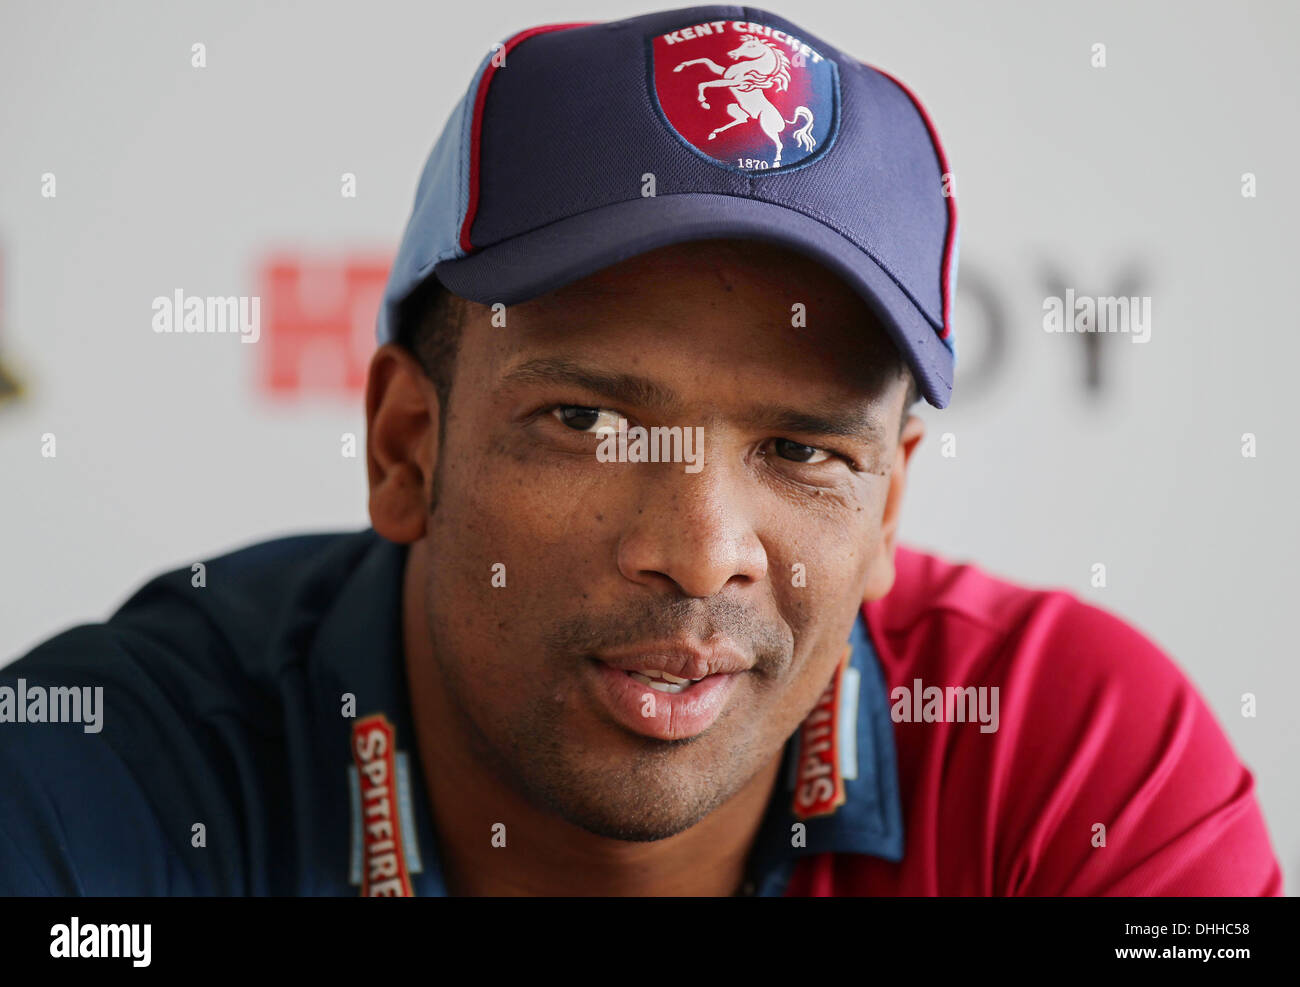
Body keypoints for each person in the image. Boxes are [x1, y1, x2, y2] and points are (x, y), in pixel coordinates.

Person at [0, 5, 1281, 896]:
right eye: (591, 425)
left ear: (889, 510)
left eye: (800, 448)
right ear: (406, 447)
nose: (700, 553)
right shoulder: (104, 776)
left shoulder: (1077, 759)